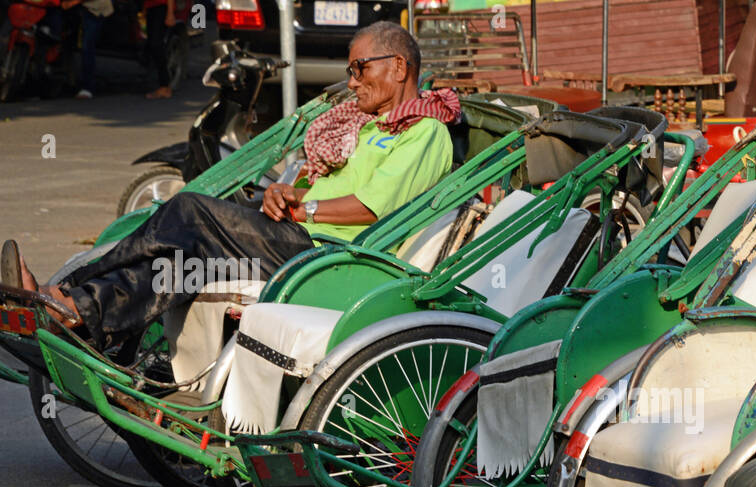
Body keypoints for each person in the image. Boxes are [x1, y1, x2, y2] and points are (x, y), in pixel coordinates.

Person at [2, 21, 458, 350]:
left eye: (360, 68)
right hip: (305, 234)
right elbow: (336, 190)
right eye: (352, 70)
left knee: (190, 210)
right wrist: (290, 194)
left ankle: (69, 291)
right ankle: (79, 307)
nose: (353, 81)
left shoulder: (424, 132)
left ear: (399, 67)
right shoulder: (371, 125)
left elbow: (370, 207)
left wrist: (307, 211)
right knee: (180, 259)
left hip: (334, 257)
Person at [63, 0, 113, 99]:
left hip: (95, 9)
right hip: (79, 9)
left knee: (87, 46)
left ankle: (87, 87)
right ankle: (70, 80)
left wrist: (72, 3)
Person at [142, 0, 175, 99]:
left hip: (161, 8)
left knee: (156, 45)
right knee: (153, 45)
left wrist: (170, 13)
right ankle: (164, 86)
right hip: (151, 8)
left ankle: (165, 86)